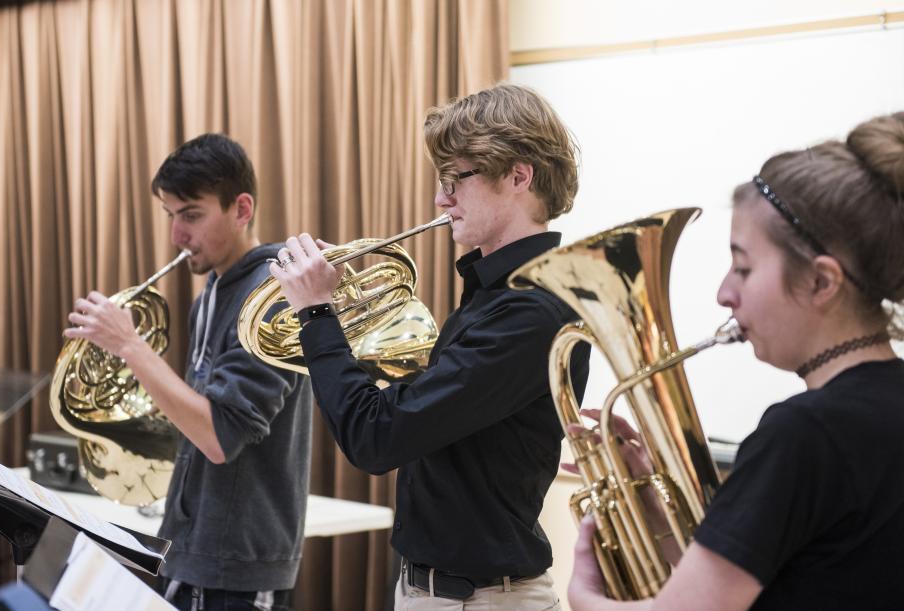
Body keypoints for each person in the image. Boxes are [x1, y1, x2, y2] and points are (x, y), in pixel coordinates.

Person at [266, 82, 591, 609]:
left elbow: (376, 438)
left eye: (455, 179)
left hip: (481, 601)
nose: (441, 199)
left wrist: (319, 312)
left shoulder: (532, 310)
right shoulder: (494, 296)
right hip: (439, 592)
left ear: (518, 175)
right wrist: (340, 305)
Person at [567, 112, 904, 610]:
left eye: (743, 267)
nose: (724, 293)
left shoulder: (805, 434)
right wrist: (659, 518)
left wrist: (584, 597)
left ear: (821, 282)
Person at [64, 133, 312, 611]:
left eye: (192, 215)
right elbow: (192, 416)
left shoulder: (272, 297)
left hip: (237, 565)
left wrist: (131, 346)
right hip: (187, 551)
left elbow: (219, 437)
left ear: (242, 209)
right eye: (171, 216)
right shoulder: (209, 297)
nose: (177, 235)